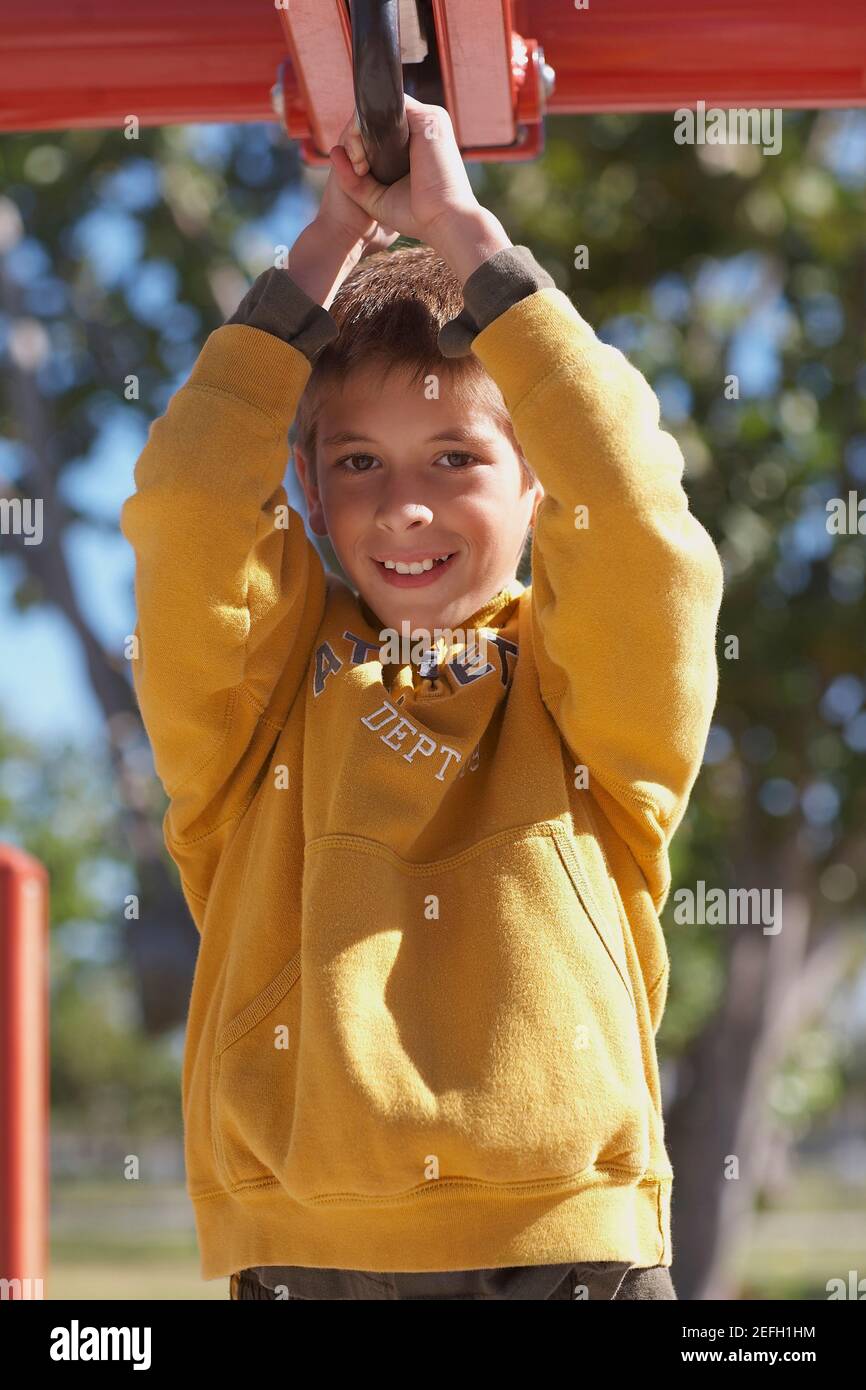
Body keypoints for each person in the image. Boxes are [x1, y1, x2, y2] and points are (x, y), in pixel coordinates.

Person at [119, 97, 723, 1301]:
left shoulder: (577, 691)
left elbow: (644, 528)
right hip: (308, 1243)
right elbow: (189, 506)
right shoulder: (265, 699)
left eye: (455, 457)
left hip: (563, 1248)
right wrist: (316, 258)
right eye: (358, 462)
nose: (403, 507)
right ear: (305, 476)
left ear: (534, 479)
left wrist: (463, 236)